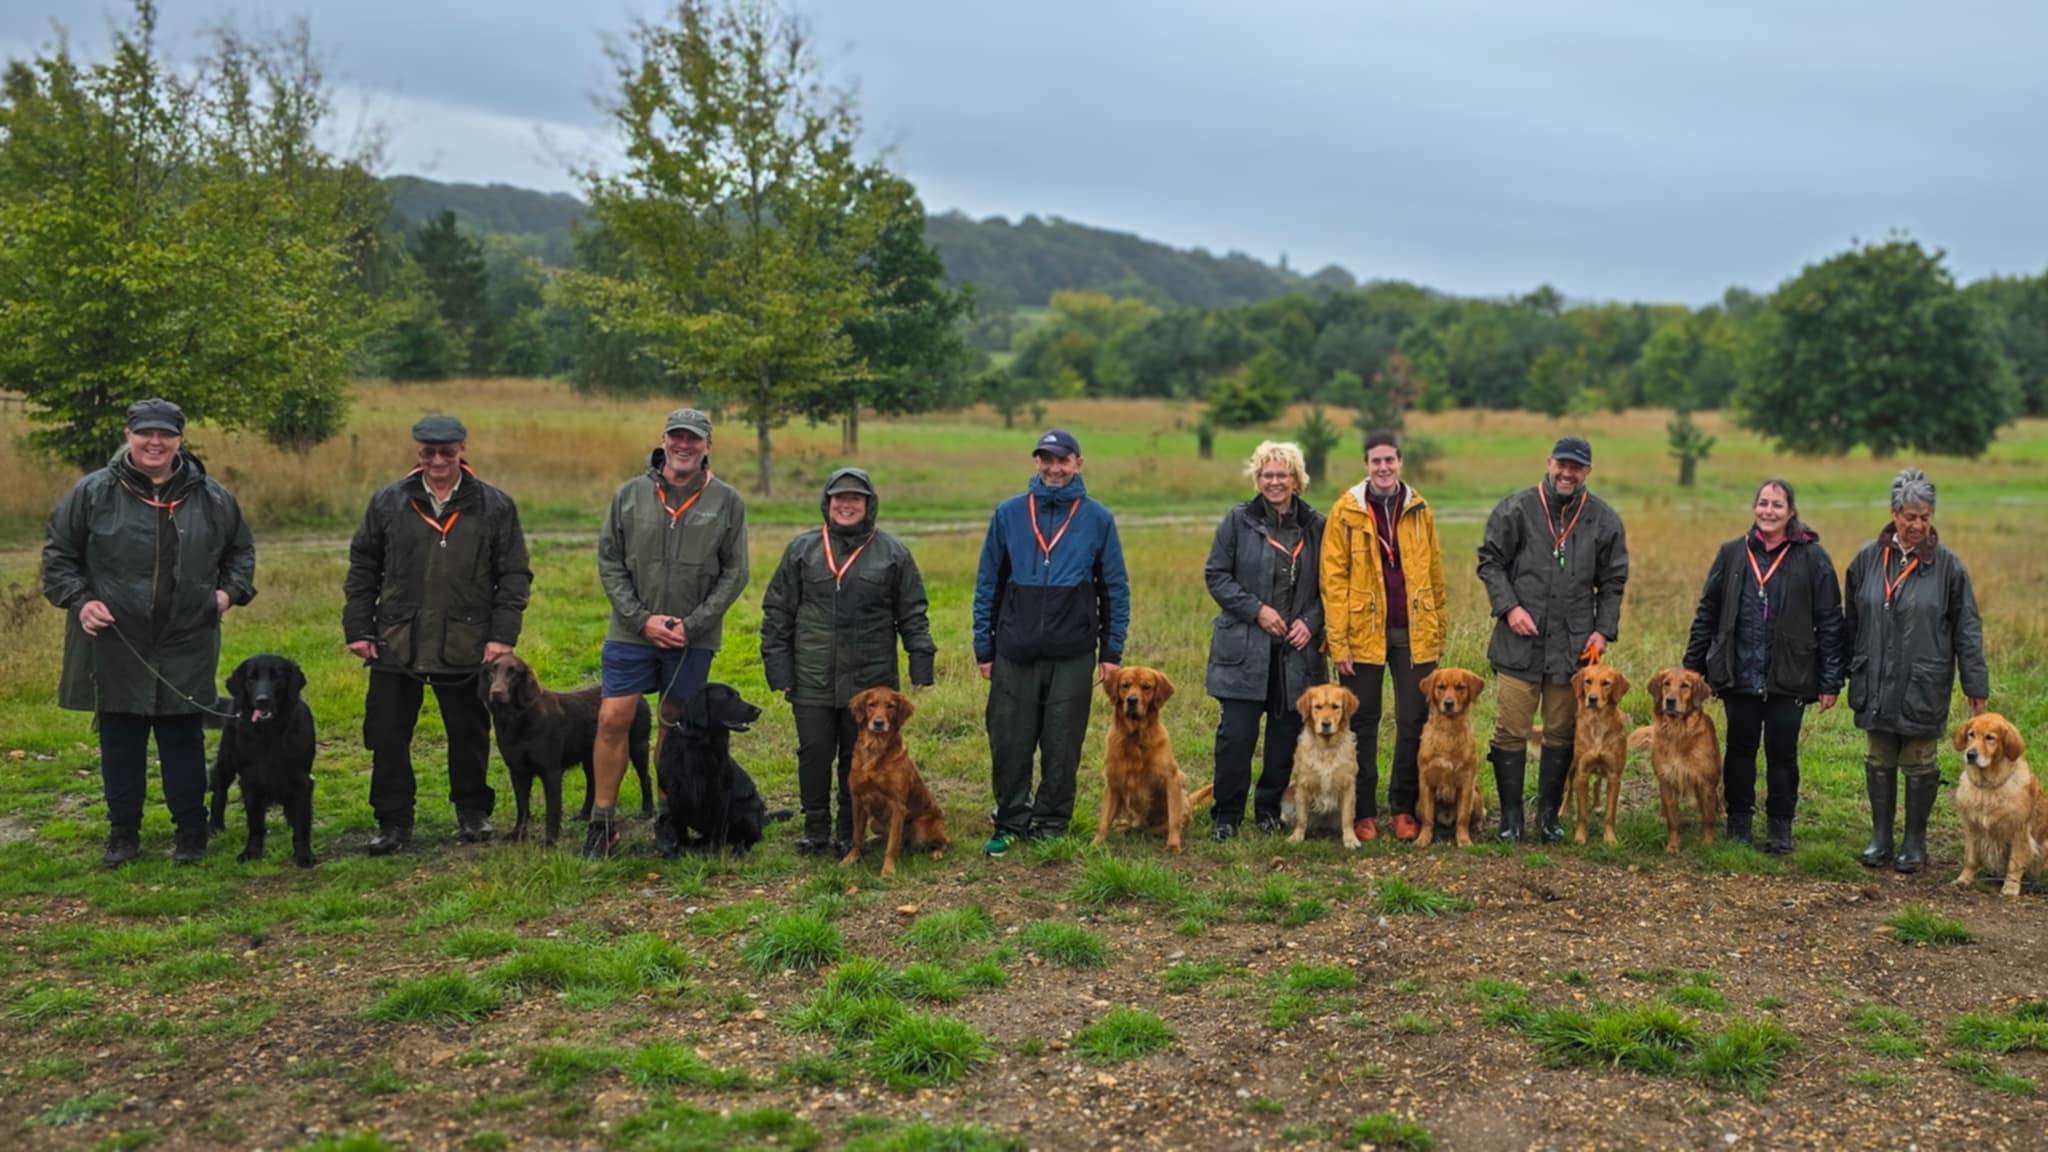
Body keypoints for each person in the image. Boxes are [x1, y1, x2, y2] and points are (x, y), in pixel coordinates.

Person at [44, 398, 257, 867]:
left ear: (180, 439)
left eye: (166, 434)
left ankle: (191, 831)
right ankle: (123, 834)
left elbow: (241, 552)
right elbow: (58, 556)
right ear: (129, 435)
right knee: (120, 740)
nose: (155, 442)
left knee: (183, 738)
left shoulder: (213, 497)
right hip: (115, 642)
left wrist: (227, 594)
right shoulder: (92, 493)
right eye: (146, 433)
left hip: (187, 640)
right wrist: (81, 601)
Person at [343, 415, 531, 855]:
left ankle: (472, 811)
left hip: (467, 640)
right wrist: (358, 627)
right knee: (387, 733)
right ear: (418, 452)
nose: (438, 460)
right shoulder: (388, 501)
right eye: (429, 452)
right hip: (397, 639)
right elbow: (363, 567)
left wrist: (502, 635)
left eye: (447, 451)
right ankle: (392, 821)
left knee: (468, 731)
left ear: (463, 449)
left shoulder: (494, 505)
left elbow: (514, 574)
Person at [587, 407, 749, 859]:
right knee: (612, 718)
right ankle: (602, 822)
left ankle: (668, 817)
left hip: (691, 636)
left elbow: (736, 572)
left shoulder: (727, 501)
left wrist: (692, 625)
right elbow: (609, 560)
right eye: (677, 436)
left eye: (694, 438)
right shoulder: (629, 494)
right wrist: (641, 619)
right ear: (663, 440)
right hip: (631, 630)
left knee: (675, 722)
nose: (684, 445)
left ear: (707, 446)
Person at [760, 468, 937, 855]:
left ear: (869, 505)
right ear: (827, 503)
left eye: (855, 499)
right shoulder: (802, 549)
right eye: (839, 498)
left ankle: (847, 831)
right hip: (812, 674)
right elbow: (777, 611)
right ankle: (815, 828)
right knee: (814, 752)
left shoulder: (893, 553)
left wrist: (921, 661)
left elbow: (913, 612)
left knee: (854, 756)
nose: (846, 505)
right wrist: (778, 666)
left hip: (870, 679)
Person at [973, 429, 1129, 856]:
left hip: (1073, 652)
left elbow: (1114, 588)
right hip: (1014, 650)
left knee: (1062, 743)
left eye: (1063, 460)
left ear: (1078, 463)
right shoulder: (1009, 513)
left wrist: (1111, 651)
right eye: (1046, 459)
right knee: (1010, 740)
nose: (1054, 468)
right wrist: (984, 647)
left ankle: (1051, 822)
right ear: (1036, 462)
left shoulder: (1098, 518)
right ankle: (1010, 820)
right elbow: (988, 583)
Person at [1476, 436, 1629, 843]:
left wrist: (1603, 629)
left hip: (1574, 647)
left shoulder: (1604, 520)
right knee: (1511, 729)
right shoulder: (1516, 509)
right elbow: (1490, 562)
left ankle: (1548, 819)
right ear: (1549, 463)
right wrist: (1510, 608)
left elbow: (1614, 580)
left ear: (1587, 472)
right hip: (1518, 642)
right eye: (1561, 465)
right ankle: (1511, 821)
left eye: (1576, 467)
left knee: (1561, 732)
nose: (1567, 473)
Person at [1682, 480, 1845, 855]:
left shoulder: (1813, 557)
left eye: (1777, 505)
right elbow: (1707, 613)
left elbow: (1830, 620)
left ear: (1791, 512)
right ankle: (1739, 822)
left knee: (1782, 753)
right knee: (1739, 750)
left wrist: (1831, 680)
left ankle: (1779, 827)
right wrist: (1692, 669)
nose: (1768, 511)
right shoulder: (1731, 554)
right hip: (1738, 673)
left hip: (1791, 675)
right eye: (1763, 503)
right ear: (1754, 508)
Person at [1842, 468, 1989, 874]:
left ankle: (1914, 842)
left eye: (1925, 517)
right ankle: (1880, 838)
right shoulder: (1866, 560)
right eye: (1910, 517)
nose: (1918, 525)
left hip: (1924, 682)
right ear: (1893, 515)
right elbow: (1850, 622)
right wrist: (1839, 674)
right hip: (1874, 679)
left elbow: (1967, 629)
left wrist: (1975, 683)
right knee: (1879, 755)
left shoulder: (1949, 567)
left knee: (1920, 758)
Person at [1320, 431, 1448, 842]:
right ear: (1366, 465)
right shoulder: (1346, 511)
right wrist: (1338, 643)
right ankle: (1362, 812)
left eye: (1390, 460)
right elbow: (1332, 582)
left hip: (1414, 631)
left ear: (1400, 462)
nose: (1383, 467)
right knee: (1361, 721)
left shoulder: (1419, 509)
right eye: (1376, 461)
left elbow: (1434, 573)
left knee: (1413, 719)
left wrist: (1437, 631)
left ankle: (1404, 808)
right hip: (1362, 633)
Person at [1204, 441, 1327, 840]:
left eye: (1283, 475)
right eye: (1267, 475)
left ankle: (1268, 809)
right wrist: (1257, 610)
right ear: (1257, 480)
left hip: (1296, 654)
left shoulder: (1317, 525)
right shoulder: (1237, 521)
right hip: (1244, 649)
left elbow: (1333, 585)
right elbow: (1216, 575)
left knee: (1284, 737)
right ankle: (1227, 815)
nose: (1275, 482)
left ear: (1297, 479)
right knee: (1236, 737)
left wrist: (1310, 622)